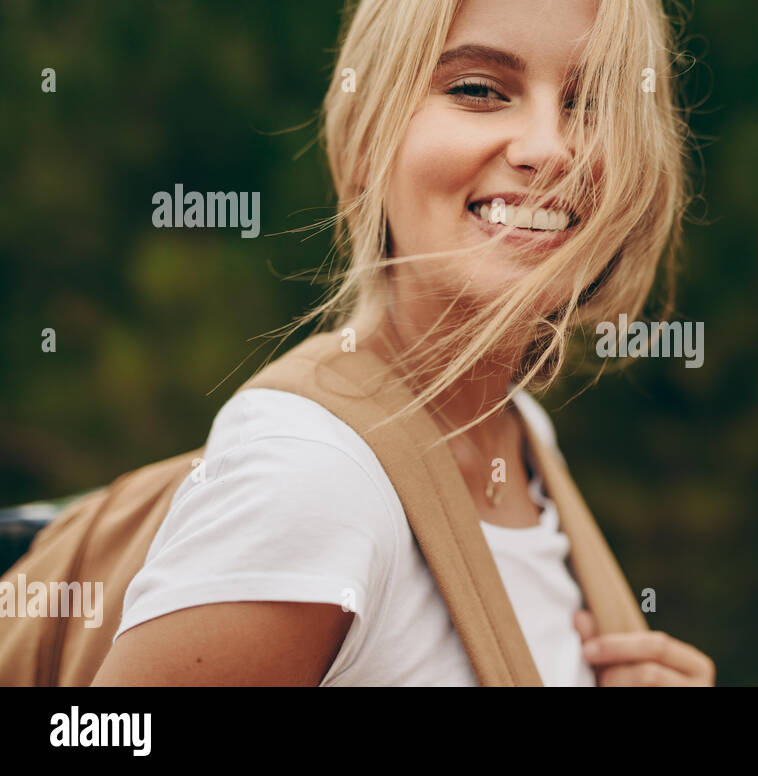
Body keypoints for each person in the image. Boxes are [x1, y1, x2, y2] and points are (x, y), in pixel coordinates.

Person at [91, 0, 714, 686]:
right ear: (364, 142)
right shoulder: (312, 478)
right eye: (477, 90)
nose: (550, 148)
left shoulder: (522, 438)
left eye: (593, 104)